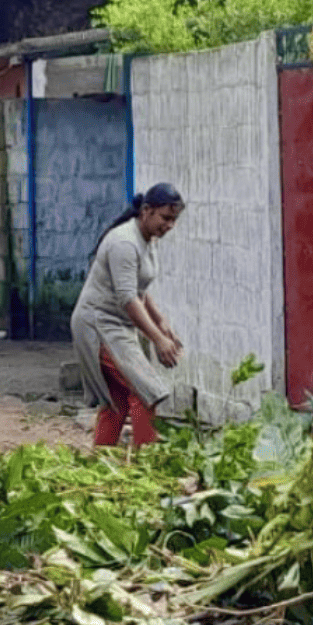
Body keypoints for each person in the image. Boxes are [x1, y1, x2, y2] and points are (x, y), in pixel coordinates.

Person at [71, 183, 186, 448]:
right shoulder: (124, 242)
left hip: (117, 325)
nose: (169, 226)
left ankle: (100, 465)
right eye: (165, 218)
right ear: (146, 211)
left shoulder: (149, 240)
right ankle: (148, 463)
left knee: (117, 402)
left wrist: (162, 324)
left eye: (174, 220)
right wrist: (157, 339)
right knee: (147, 393)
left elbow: (140, 290)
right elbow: (127, 298)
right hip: (99, 325)